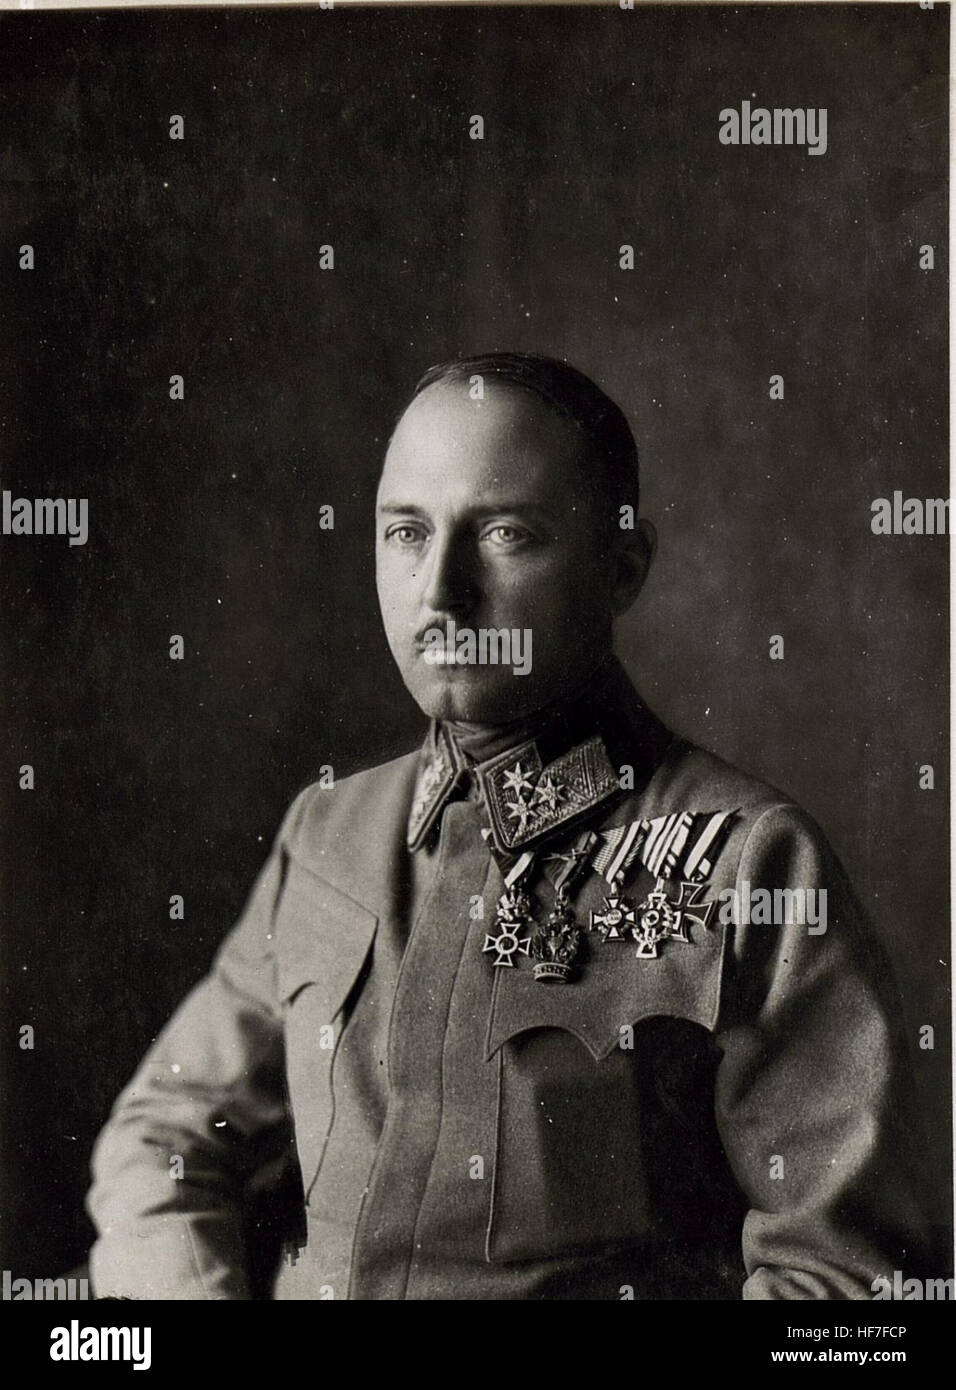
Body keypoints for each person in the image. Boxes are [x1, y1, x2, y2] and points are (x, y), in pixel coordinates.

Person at [88, 352, 927, 1300]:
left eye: (505, 534)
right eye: (407, 531)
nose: (440, 592)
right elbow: (164, 1137)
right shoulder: (329, 831)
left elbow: (851, 1295)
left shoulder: (753, 861)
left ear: (622, 566)